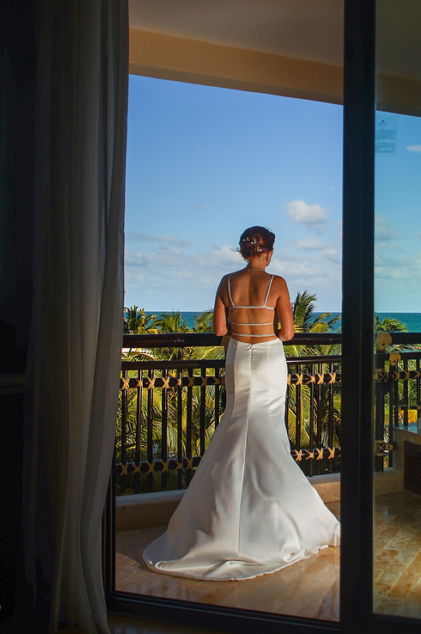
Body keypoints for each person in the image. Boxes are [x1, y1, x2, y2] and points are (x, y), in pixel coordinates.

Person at [143, 226, 340, 580]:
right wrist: (268, 337)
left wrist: (242, 337)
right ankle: (270, 514)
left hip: (237, 358)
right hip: (268, 357)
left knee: (236, 426)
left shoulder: (226, 282)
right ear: (268, 252)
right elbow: (289, 333)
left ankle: (220, 519)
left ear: (243, 251)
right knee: (266, 431)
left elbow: (220, 330)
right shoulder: (276, 283)